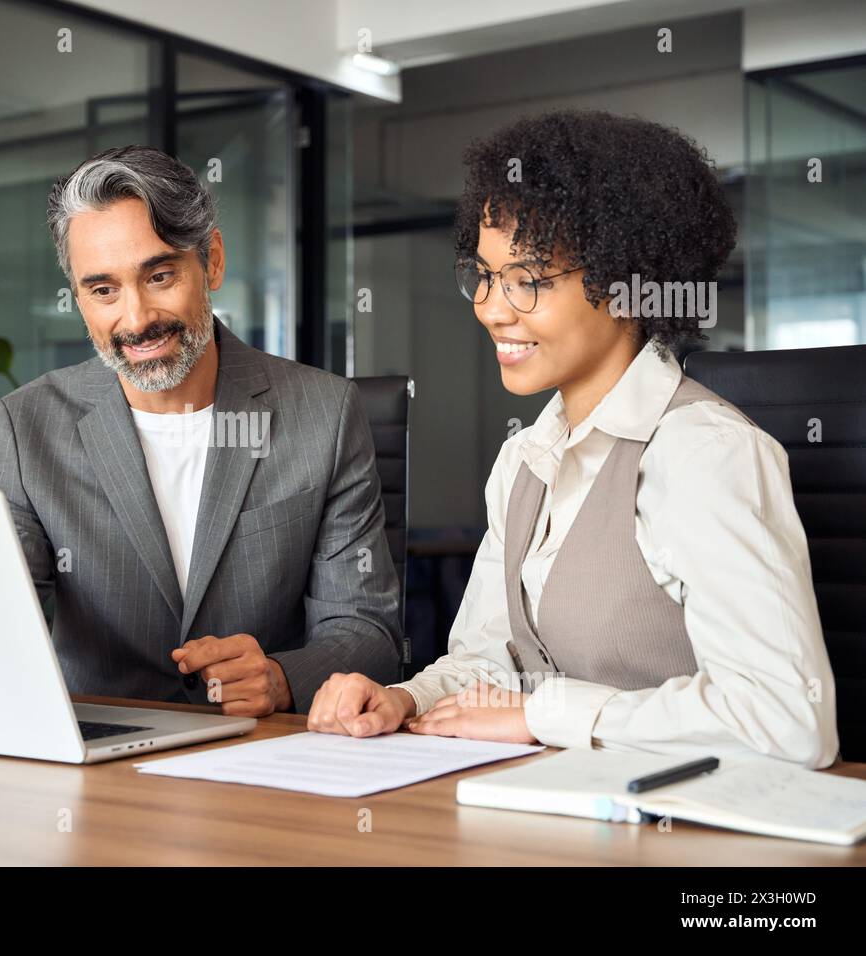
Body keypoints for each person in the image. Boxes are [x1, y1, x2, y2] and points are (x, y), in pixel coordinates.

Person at [308, 110, 838, 767]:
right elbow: (490, 654)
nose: (492, 308)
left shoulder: (703, 454)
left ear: (625, 286)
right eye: (484, 274)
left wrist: (542, 714)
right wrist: (406, 700)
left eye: (527, 281)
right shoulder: (523, 460)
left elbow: (788, 719)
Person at [0, 145, 401, 717]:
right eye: (103, 291)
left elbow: (370, 633)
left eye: (160, 275)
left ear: (213, 261)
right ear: (79, 298)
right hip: (101, 760)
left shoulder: (324, 414)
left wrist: (279, 678)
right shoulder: (27, 428)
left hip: (259, 754)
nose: (137, 317)